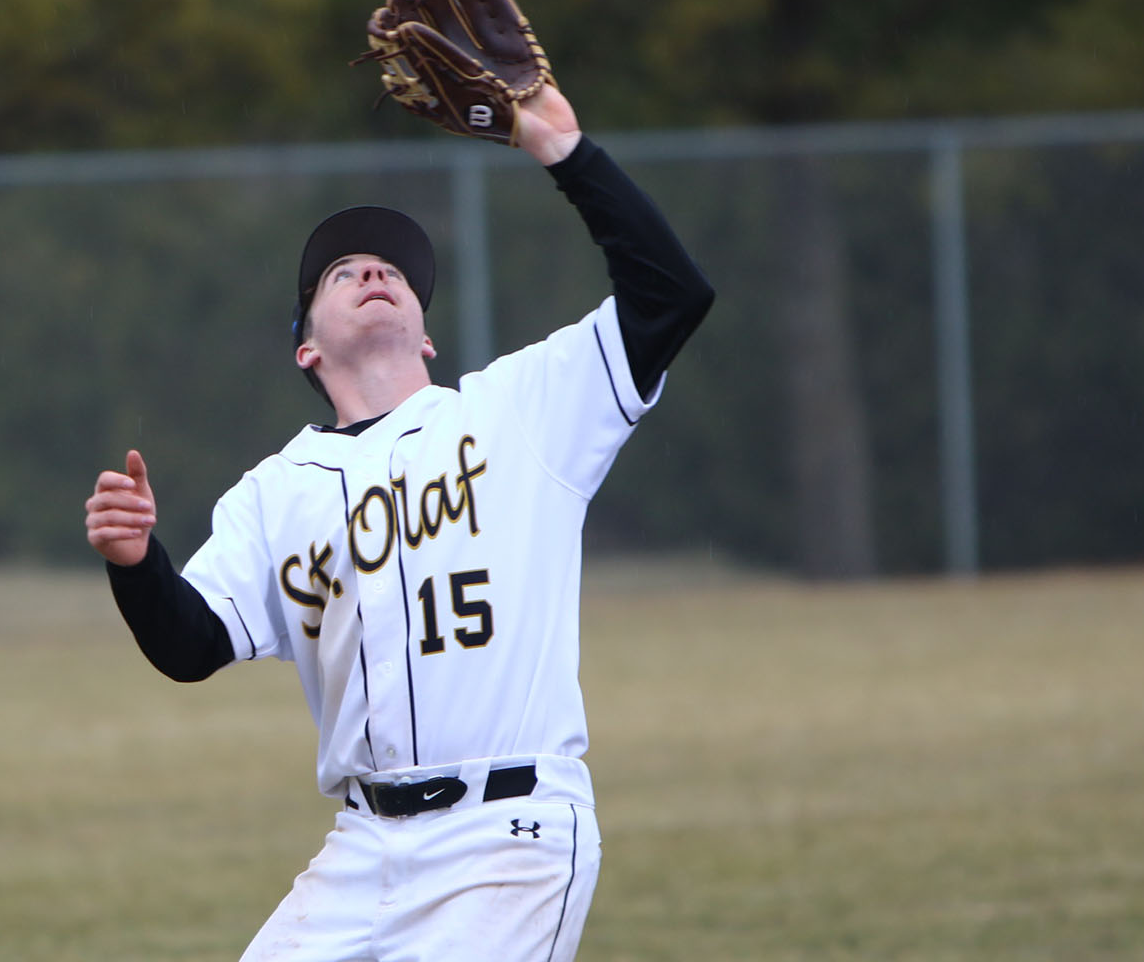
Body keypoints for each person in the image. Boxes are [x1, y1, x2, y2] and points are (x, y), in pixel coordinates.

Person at [82, 84, 713, 961]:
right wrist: (134, 559)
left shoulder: (518, 416)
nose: (374, 272)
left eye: (395, 271)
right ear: (306, 345)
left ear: (426, 337)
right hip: (362, 848)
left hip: (508, 840)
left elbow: (671, 295)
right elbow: (189, 646)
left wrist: (565, 152)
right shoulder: (274, 494)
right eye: (343, 273)